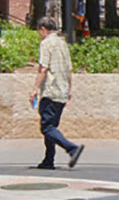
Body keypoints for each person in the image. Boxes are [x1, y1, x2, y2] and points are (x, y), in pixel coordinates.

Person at [30, 11, 84, 170]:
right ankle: (48, 160)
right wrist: (69, 89)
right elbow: (69, 69)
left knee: (47, 127)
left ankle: (72, 148)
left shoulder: (46, 43)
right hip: (62, 90)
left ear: (43, 29)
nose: (39, 35)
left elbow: (43, 68)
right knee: (51, 126)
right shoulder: (62, 43)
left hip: (51, 90)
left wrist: (34, 89)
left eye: (39, 31)